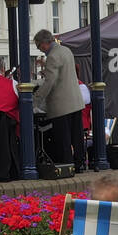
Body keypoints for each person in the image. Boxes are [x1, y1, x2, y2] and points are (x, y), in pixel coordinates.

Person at [30, 30, 82, 166]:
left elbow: (49, 83)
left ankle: (67, 166)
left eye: (38, 46)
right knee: (76, 137)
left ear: (44, 43)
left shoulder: (52, 56)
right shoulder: (66, 50)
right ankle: (79, 163)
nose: (40, 50)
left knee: (63, 140)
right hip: (75, 102)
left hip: (61, 105)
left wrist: (35, 101)